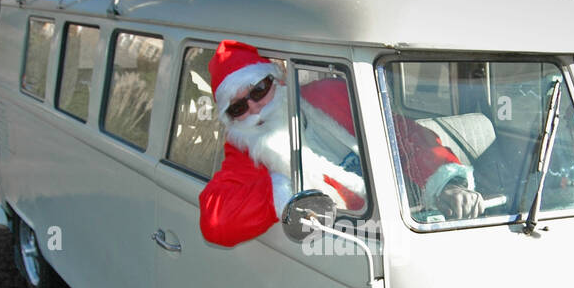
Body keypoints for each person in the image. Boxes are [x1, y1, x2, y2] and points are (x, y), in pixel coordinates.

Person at [199, 40, 482, 247]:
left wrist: (446, 185)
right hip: (354, 243)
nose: (255, 108)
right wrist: (281, 190)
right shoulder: (247, 150)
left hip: (412, 219)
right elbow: (215, 221)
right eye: (238, 108)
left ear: (278, 79)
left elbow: (404, 135)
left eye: (259, 90)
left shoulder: (329, 93)